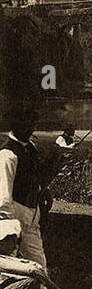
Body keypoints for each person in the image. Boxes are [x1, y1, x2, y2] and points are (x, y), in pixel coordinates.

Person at [0, 106, 50, 267]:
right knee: (12, 265)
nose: (31, 129)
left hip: (32, 215)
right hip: (15, 216)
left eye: (33, 124)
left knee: (38, 262)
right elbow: (4, 195)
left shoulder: (30, 148)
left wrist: (45, 191)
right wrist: (10, 228)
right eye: (27, 125)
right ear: (16, 125)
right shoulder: (7, 154)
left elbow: (34, 176)